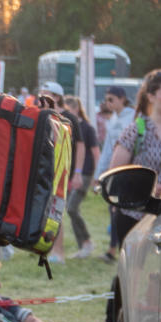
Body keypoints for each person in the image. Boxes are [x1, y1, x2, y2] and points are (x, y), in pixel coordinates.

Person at [108, 69, 161, 254]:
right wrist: (148, 187)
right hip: (135, 216)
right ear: (151, 97)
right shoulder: (136, 131)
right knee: (137, 277)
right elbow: (114, 175)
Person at [36, 82, 84, 264]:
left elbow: (81, 146)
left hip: (65, 173)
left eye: (45, 93)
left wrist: (78, 172)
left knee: (56, 211)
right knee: (46, 210)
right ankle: (47, 249)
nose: (40, 96)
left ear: (56, 97)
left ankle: (59, 253)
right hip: (47, 171)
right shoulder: (44, 115)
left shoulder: (69, 117)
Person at [94, 86, 136, 264]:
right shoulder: (114, 120)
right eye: (106, 100)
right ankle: (114, 251)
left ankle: (122, 251)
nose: (108, 104)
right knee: (114, 211)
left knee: (122, 212)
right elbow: (107, 152)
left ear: (122, 99)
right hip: (115, 170)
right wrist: (99, 174)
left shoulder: (133, 118)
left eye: (111, 100)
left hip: (128, 172)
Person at [62, 97, 98, 259]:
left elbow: (96, 152)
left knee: (71, 208)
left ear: (76, 109)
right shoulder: (66, 126)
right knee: (71, 209)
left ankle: (87, 242)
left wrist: (97, 177)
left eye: (69, 110)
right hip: (70, 174)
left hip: (84, 173)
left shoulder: (87, 128)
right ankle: (83, 245)